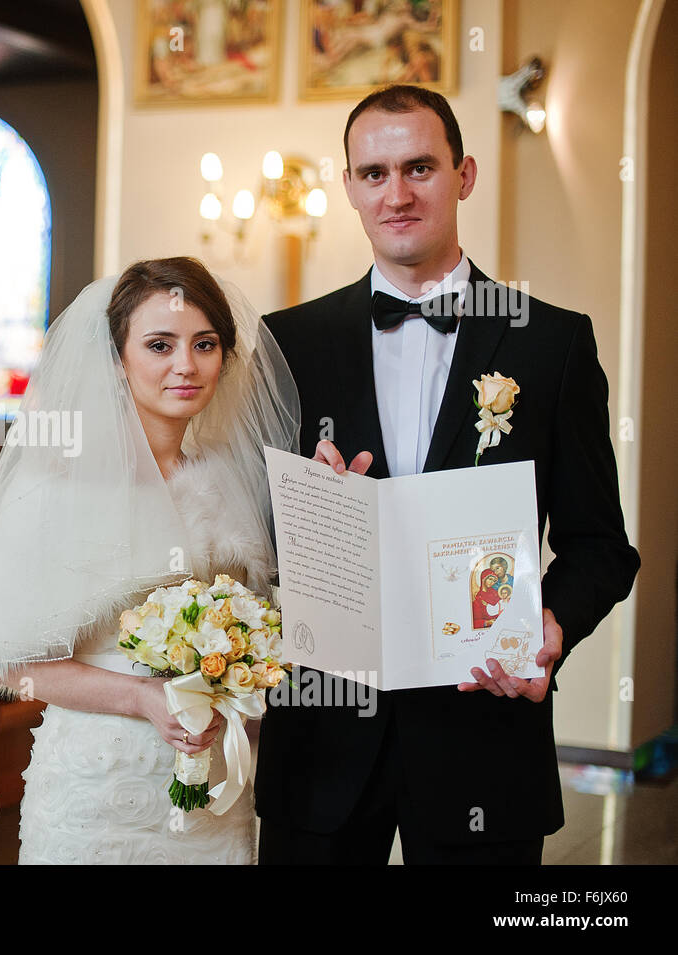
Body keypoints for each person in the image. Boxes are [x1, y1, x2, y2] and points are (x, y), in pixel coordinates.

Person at [257, 84, 640, 864]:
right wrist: (307, 508)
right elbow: (249, 535)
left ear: (464, 175)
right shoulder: (285, 345)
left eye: (420, 168)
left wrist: (550, 629)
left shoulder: (552, 345)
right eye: (374, 173)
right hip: (323, 742)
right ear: (349, 187)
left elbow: (602, 544)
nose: (396, 194)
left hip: (484, 737)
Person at [0, 257, 300, 864]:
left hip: (216, 792)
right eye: (159, 345)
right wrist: (141, 697)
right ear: (118, 359)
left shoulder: (231, 482)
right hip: (99, 788)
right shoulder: (58, 487)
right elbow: (6, 664)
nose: (185, 366)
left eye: (205, 344)